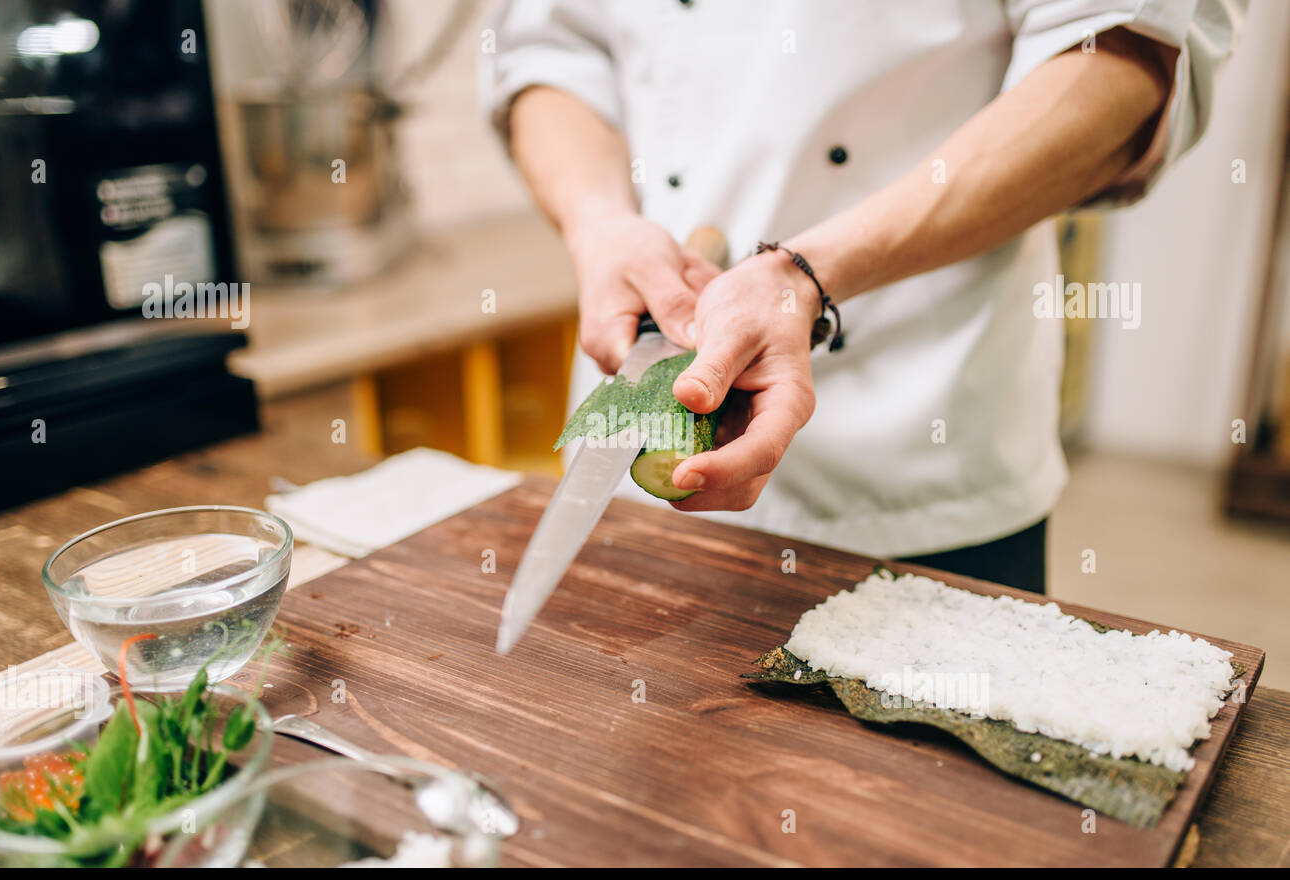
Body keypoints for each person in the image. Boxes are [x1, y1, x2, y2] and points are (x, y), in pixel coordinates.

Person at [480, 0, 1242, 593]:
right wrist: (600, 222)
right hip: (639, 446)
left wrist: (808, 272)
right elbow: (551, 48)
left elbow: (1122, 46)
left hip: (919, 445)